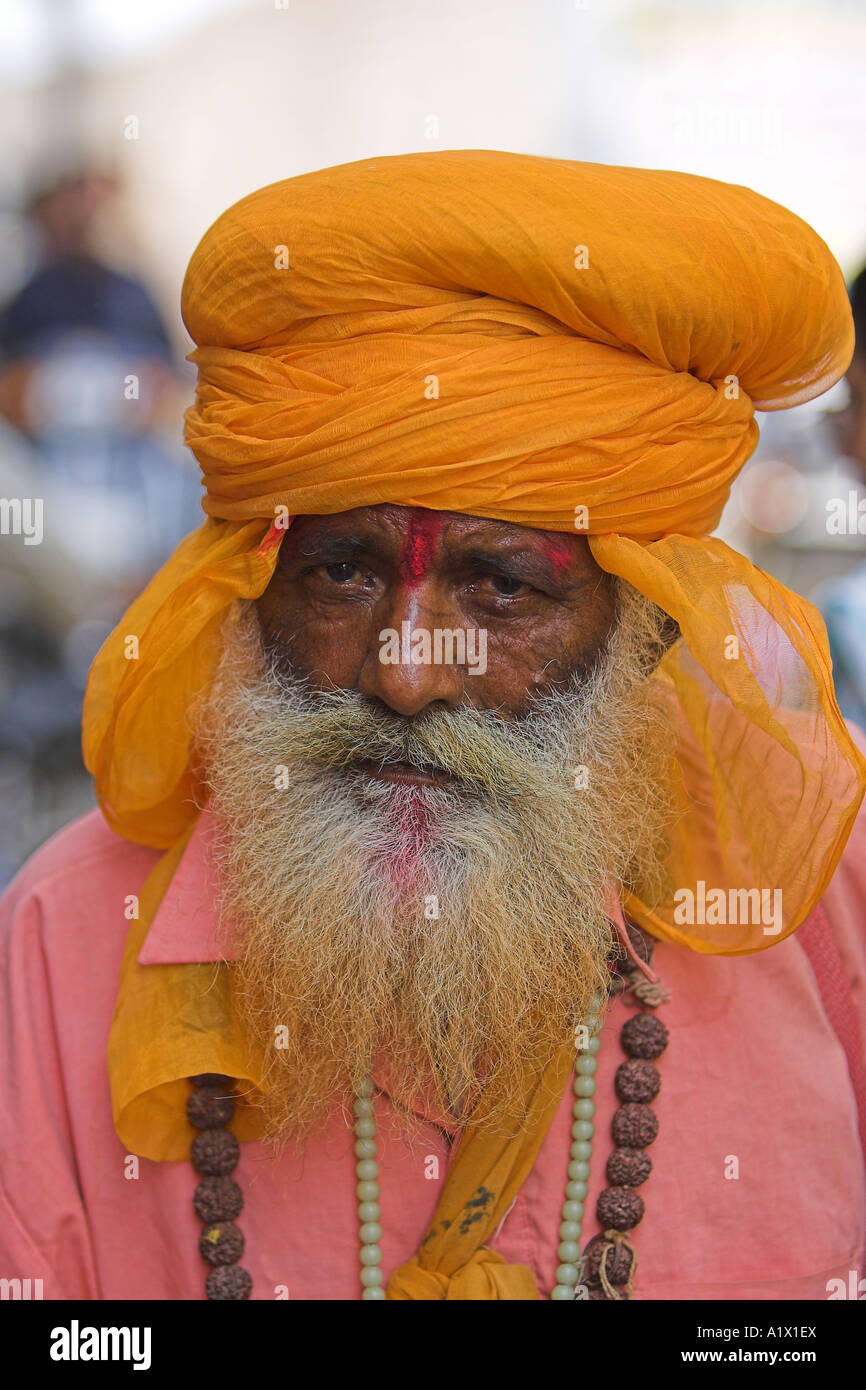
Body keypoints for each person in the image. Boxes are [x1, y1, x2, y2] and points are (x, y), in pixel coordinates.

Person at [1, 150, 865, 1303]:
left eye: (502, 589)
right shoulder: (64, 930)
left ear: (644, 628)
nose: (407, 676)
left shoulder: (815, 903)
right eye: (342, 574)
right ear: (247, 599)